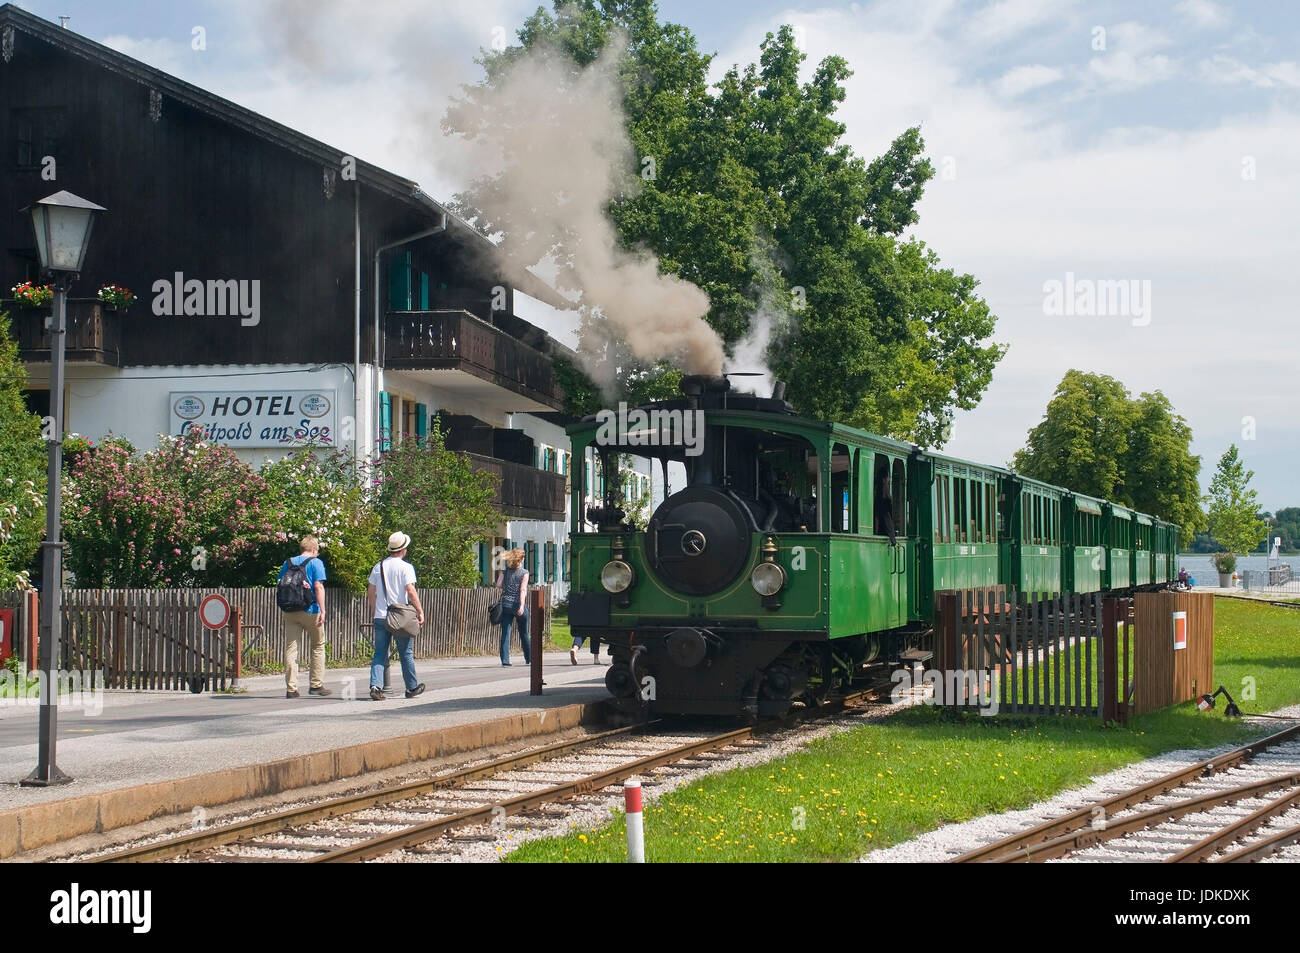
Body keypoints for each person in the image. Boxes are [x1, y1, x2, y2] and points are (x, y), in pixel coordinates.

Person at [366, 532, 426, 701]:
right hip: (401, 616)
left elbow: (371, 590)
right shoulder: (406, 567)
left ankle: (375, 686)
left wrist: (373, 608)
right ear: (403, 549)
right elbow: (410, 590)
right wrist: (420, 611)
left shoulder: (379, 566)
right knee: (405, 653)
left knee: (379, 653)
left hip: (381, 615)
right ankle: (411, 687)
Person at [279, 535, 330, 698]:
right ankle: (316, 685)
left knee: (291, 648)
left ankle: (291, 688)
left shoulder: (287, 563)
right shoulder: (316, 563)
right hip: (311, 610)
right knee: (317, 646)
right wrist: (323, 610)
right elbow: (318, 587)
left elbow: (281, 583)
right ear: (314, 550)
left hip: (290, 610)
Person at [495, 548, 531, 666]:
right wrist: (521, 606)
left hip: (505, 605)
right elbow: (523, 589)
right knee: (524, 632)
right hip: (517, 605)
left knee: (505, 632)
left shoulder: (504, 572)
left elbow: (498, 585)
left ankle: (505, 661)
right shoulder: (524, 573)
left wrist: (506, 584)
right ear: (521, 559)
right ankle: (529, 658)